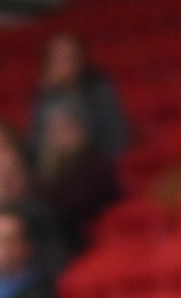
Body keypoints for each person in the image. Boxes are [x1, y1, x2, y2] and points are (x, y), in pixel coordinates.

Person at [35, 106, 121, 254]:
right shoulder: (49, 173)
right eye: (55, 132)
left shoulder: (96, 166)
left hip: (90, 236)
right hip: (62, 236)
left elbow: (77, 205)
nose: (61, 137)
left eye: (66, 129)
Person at [32, 35, 129, 161]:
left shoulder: (99, 90)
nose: (63, 65)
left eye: (69, 57)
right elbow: (36, 148)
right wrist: (51, 96)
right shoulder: (43, 99)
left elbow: (116, 138)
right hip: (56, 171)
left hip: (97, 163)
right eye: (56, 59)